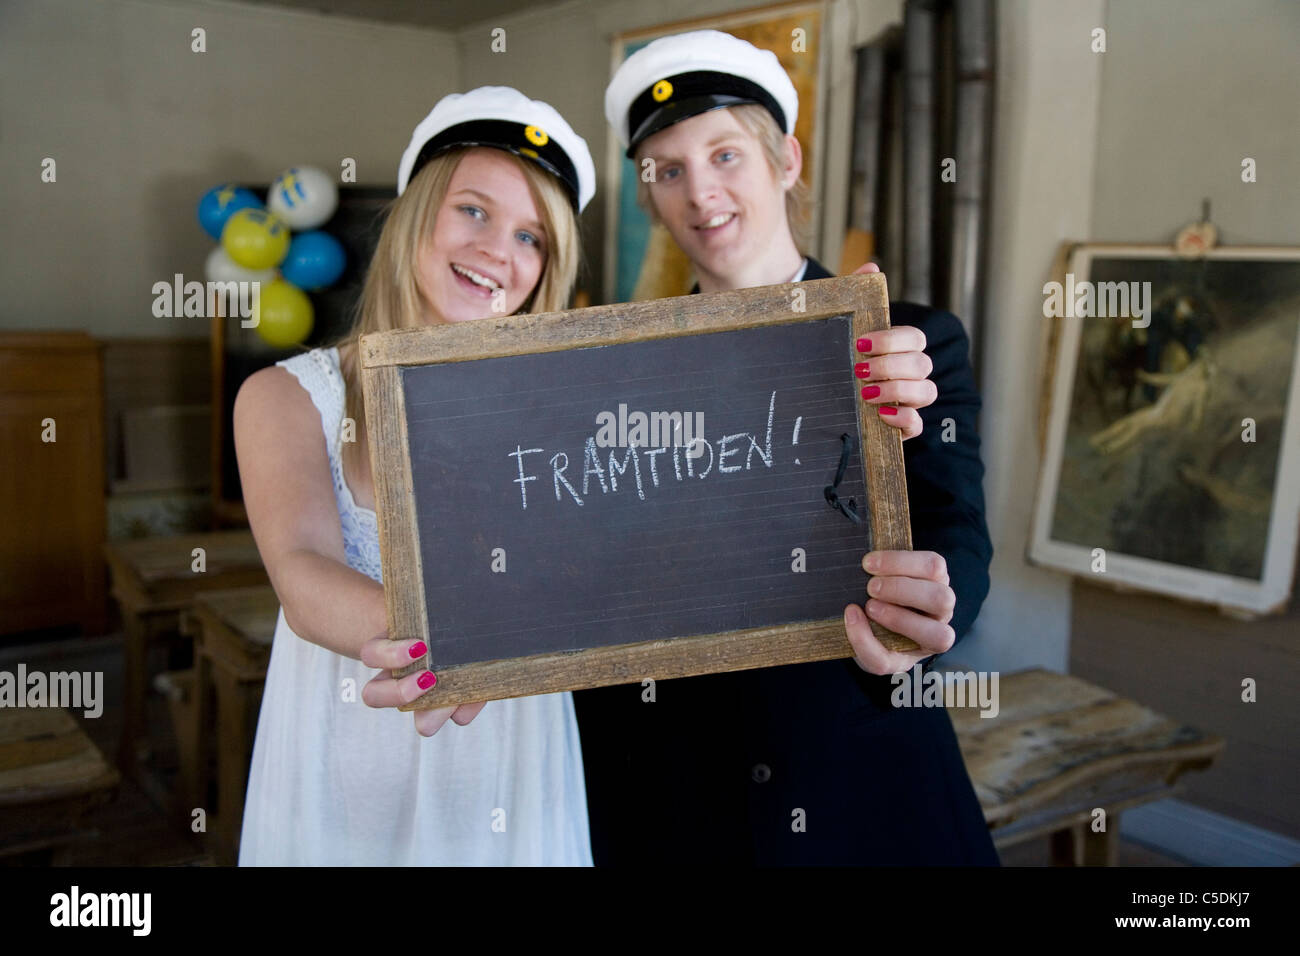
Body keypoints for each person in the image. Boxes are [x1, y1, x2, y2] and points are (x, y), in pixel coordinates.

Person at [577, 30, 998, 865]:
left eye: (725, 155)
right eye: (668, 170)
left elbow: (954, 524)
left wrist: (931, 609)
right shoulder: (610, 367)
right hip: (669, 782)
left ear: (787, 161)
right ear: (650, 196)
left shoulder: (911, 342)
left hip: (858, 766)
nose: (701, 192)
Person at [233, 87, 597, 865]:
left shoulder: (562, 413)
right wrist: (459, 647)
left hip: (508, 758)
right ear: (414, 216)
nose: (498, 250)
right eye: (473, 210)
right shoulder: (286, 397)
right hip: (348, 753)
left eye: (531, 236)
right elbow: (303, 571)